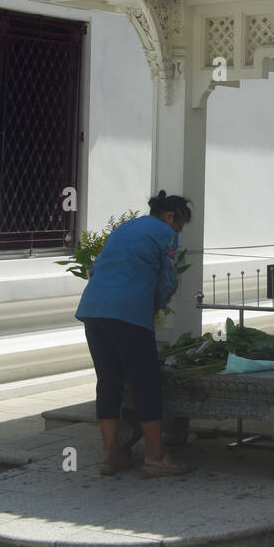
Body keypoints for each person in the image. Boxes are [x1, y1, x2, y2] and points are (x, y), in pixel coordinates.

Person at [76, 190, 192, 477]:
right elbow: (167, 280)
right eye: (179, 225)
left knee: (109, 381)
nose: (178, 232)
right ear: (169, 216)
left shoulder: (124, 229)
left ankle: (111, 454)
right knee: (146, 381)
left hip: (93, 309)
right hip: (127, 312)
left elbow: (96, 269)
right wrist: (156, 305)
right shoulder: (165, 234)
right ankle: (155, 456)